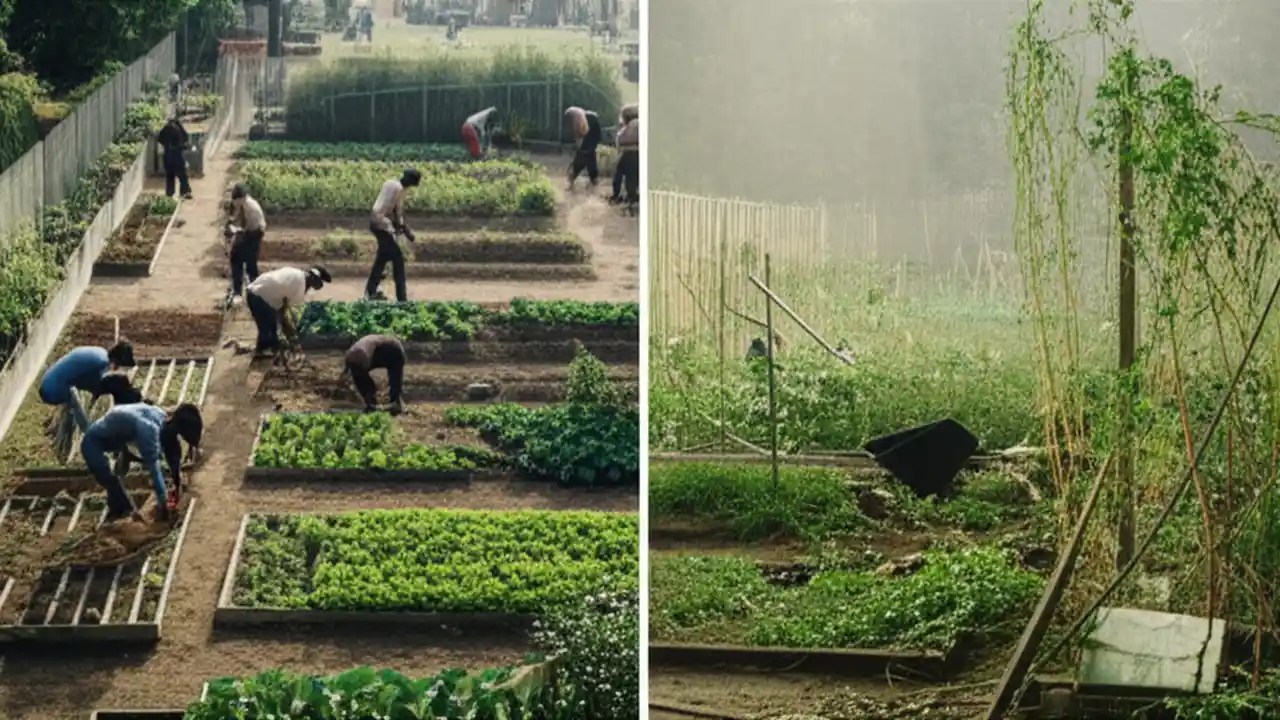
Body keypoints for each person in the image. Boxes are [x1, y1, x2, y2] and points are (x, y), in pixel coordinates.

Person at [81, 403, 202, 522]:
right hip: (92, 444)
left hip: (118, 437)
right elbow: (154, 470)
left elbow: (172, 450)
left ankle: (121, 513)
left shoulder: (159, 416)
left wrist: (177, 480)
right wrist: (163, 501)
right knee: (111, 482)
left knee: (116, 480)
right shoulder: (148, 430)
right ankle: (124, 516)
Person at [39, 342, 137, 433]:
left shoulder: (101, 354)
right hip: (51, 391)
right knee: (76, 404)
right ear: (114, 363)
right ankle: (87, 431)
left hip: (48, 381)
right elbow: (100, 388)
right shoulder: (102, 365)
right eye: (122, 370)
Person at [246, 266, 332, 358]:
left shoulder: (296, 275)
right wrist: (290, 333)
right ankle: (262, 353)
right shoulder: (299, 285)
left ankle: (265, 350)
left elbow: (282, 308)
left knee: (272, 330)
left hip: (255, 293)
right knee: (268, 329)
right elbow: (283, 313)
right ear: (314, 278)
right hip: (260, 297)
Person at [366, 169, 421, 302]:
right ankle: (402, 298)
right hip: (382, 226)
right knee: (398, 260)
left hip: (376, 223)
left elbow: (395, 213)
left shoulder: (391, 184)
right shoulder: (398, 189)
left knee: (382, 259)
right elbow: (397, 214)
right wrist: (407, 232)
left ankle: (371, 291)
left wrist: (402, 229)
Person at [225, 183, 267, 305]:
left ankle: (249, 292)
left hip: (254, 233)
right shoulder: (243, 203)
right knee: (243, 260)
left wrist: (235, 232)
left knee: (245, 260)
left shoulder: (251, 208)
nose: (235, 203)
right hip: (248, 232)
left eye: (236, 200)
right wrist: (232, 222)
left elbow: (248, 228)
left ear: (241, 198)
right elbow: (239, 218)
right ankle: (247, 290)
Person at [345, 334, 406, 415]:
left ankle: (396, 403)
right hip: (371, 354)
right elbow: (352, 373)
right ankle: (371, 403)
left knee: (395, 379)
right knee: (359, 378)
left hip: (393, 350)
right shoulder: (351, 356)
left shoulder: (364, 354)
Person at [565, 106, 602, 189]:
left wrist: (580, 147)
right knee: (588, 161)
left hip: (589, 141)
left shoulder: (581, 119)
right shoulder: (581, 117)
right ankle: (593, 182)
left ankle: (592, 182)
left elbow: (581, 133)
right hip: (590, 141)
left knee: (584, 160)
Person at [156, 117, 193, 200]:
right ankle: (185, 192)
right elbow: (185, 138)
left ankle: (170, 194)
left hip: (167, 157)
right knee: (183, 176)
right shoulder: (178, 130)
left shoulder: (165, 130)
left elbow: (160, 140)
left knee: (170, 177)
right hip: (177, 157)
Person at [611, 104, 639, 206]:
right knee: (632, 178)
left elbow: (620, 140)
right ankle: (631, 196)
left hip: (629, 154)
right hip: (633, 154)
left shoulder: (634, 125)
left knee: (622, 176)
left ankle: (621, 196)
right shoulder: (636, 124)